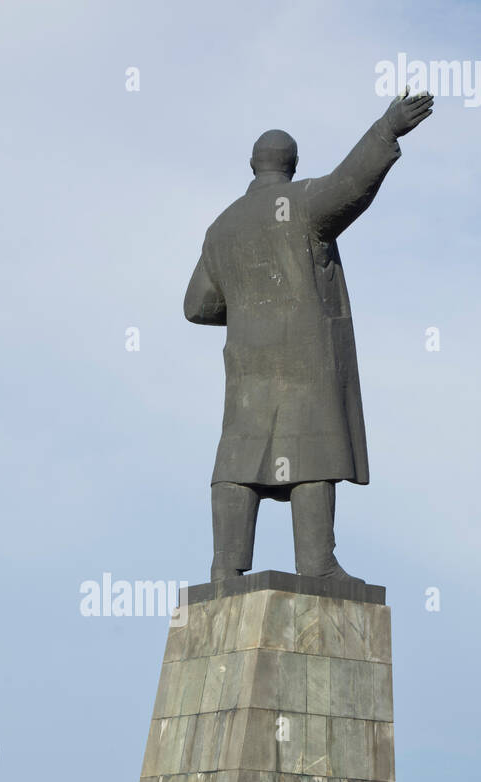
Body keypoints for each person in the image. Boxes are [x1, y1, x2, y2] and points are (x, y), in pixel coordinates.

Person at [184, 90, 434, 585]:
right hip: (303, 358)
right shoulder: (298, 205)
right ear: (293, 166)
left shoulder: (222, 226)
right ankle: (318, 564)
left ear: (251, 165)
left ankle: (224, 567)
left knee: (240, 454)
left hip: (248, 366)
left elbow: (198, 305)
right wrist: (386, 128)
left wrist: (250, 309)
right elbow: (351, 182)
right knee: (312, 451)